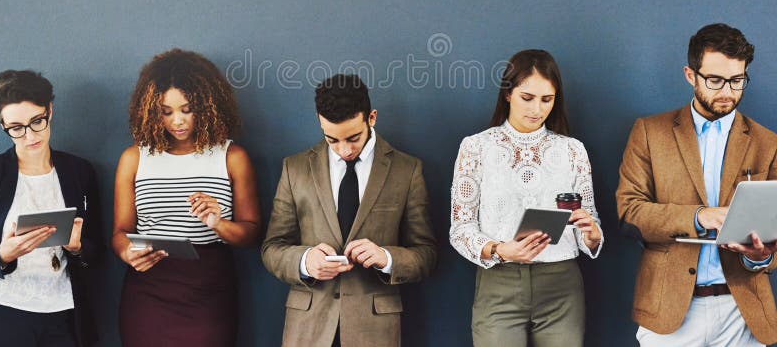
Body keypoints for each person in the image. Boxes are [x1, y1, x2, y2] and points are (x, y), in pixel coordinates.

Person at [617, 23, 777, 346]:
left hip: (743, 310)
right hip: (669, 310)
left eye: (737, 80)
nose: (727, 91)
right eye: (715, 80)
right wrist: (699, 216)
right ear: (690, 75)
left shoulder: (768, 143)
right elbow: (629, 213)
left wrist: (760, 256)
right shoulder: (649, 132)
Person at [261, 74, 437, 347]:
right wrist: (305, 261)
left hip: (374, 327)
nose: (344, 150)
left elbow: (426, 254)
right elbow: (272, 248)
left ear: (372, 118)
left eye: (353, 138)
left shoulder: (407, 170)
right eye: (331, 140)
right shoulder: (294, 169)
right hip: (308, 328)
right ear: (320, 122)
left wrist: (386, 257)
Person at [450, 49, 603, 347]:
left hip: (562, 284)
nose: (537, 108)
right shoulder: (476, 147)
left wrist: (593, 235)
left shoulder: (573, 150)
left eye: (547, 99)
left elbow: (589, 222)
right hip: (499, 281)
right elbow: (461, 228)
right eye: (527, 97)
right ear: (508, 94)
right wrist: (500, 250)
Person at [112, 49, 261, 347]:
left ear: (207, 106)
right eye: (166, 112)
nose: (177, 121)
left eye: (187, 109)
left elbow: (252, 234)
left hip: (209, 290)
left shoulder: (232, 157)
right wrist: (126, 253)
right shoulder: (134, 158)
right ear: (150, 111)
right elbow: (119, 232)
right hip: (148, 288)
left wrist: (218, 223)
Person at [0, 70, 103, 347]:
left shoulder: (79, 171)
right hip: (1, 308)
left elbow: (96, 254)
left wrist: (77, 247)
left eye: (37, 121)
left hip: (63, 311)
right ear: (3, 127)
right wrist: (1, 255)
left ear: (50, 111)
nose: (29, 135)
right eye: (16, 128)